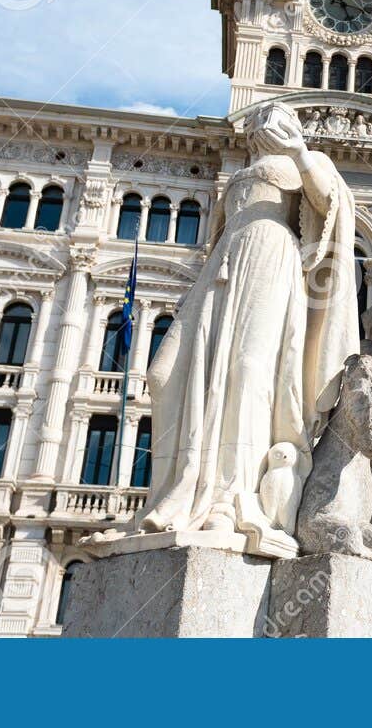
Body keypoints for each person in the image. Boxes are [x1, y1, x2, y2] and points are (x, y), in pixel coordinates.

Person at [136, 102, 358, 558]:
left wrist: (299, 152)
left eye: (273, 119)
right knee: (164, 374)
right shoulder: (243, 169)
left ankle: (233, 497)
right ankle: (173, 494)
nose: (262, 125)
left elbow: (330, 202)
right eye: (259, 119)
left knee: (249, 371)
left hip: (270, 258)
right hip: (223, 267)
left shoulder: (308, 161)